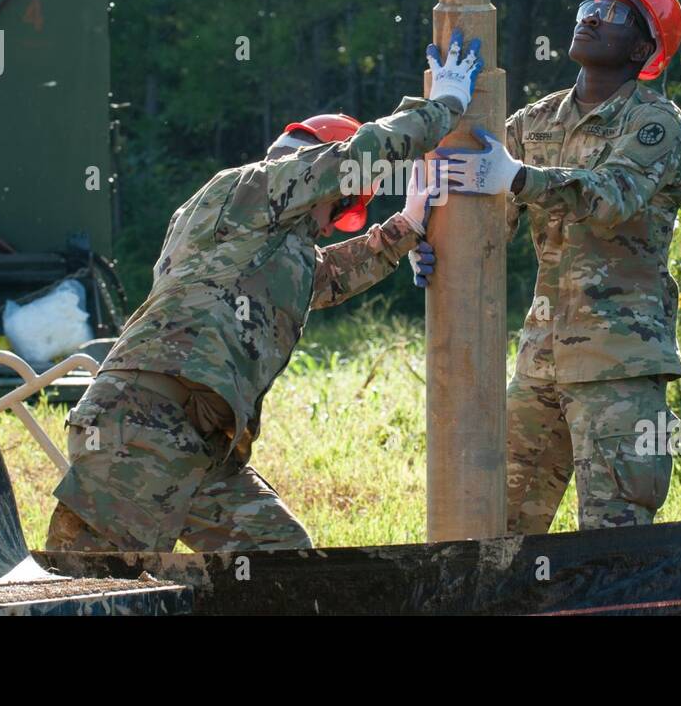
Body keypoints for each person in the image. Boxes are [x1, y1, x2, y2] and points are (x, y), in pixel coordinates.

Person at [43, 31, 481, 553]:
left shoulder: (255, 233)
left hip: (198, 441)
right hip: (143, 430)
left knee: (281, 570)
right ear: (323, 178)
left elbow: (321, 279)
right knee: (97, 588)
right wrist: (444, 106)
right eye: (338, 209)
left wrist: (404, 227)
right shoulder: (251, 185)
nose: (329, 224)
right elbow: (362, 154)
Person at [434, 0, 681, 532]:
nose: (593, 16)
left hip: (618, 362)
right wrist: (433, 242)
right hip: (541, 358)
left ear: (641, 50)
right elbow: (481, 211)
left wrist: (518, 177)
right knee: (493, 525)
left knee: (612, 536)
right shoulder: (536, 121)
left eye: (615, 14)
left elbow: (611, 197)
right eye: (590, 6)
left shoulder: (656, 124)